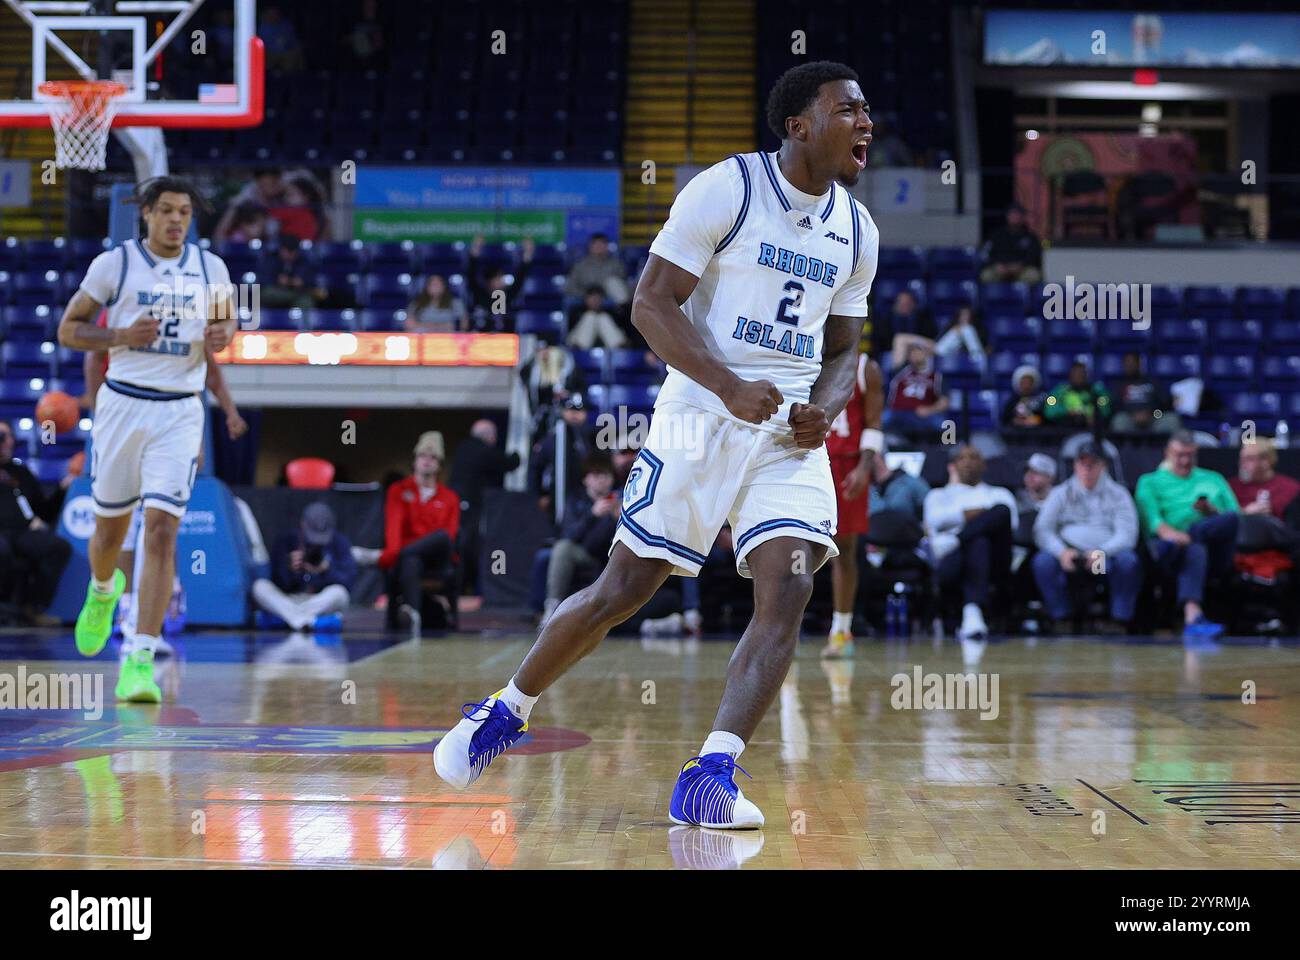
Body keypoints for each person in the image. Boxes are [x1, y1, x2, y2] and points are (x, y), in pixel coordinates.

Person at [434, 60, 879, 830]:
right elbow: (649, 304)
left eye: (868, 109)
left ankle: (710, 773)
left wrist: (827, 408)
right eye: (849, 109)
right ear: (799, 124)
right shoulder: (728, 189)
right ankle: (505, 709)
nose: (867, 121)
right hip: (699, 410)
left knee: (791, 584)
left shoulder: (858, 231)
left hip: (784, 433)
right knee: (625, 588)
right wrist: (726, 384)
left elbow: (845, 348)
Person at [58, 176, 235, 702]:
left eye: (184, 212)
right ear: (147, 215)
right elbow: (69, 329)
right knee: (110, 533)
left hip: (179, 411)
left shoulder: (212, 269)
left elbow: (225, 330)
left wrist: (225, 334)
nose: (177, 220)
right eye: (167, 211)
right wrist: (118, 335)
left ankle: (139, 658)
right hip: (122, 403)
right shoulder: (115, 265)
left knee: (161, 530)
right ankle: (103, 590)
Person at [1134, 431, 1239, 639]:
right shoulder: (1150, 481)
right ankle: (1193, 617)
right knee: (1195, 549)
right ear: (1167, 453)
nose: (1184, 461)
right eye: (1179, 455)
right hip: (1170, 550)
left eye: (1190, 455)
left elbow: (1235, 517)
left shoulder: (1213, 478)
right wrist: (1171, 534)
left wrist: (1211, 512)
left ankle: (1194, 534)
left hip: (1216, 550)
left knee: (1228, 520)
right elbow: (1152, 521)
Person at [1032, 442, 1141, 633]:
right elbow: (1042, 530)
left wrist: (1102, 552)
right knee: (1042, 562)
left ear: (1103, 466)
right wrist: (1061, 552)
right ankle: (1061, 619)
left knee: (1128, 561)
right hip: (1070, 557)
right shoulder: (1060, 493)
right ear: (1075, 465)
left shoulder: (1118, 494)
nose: (1087, 469)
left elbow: (1128, 535)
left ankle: (1119, 620)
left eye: (1093, 464)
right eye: (1083, 463)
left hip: (1102, 558)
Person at [821, 354, 884, 659]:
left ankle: (841, 630)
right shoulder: (800, 353)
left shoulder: (864, 368)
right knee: (792, 549)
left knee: (844, 551)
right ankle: (781, 630)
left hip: (847, 465)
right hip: (806, 459)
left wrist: (865, 467)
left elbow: (874, 424)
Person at [923, 445, 1017, 641]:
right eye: (961, 458)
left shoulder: (999, 493)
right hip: (951, 562)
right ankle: (973, 612)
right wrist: (978, 514)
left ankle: (957, 540)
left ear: (983, 465)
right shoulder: (938, 495)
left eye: (974, 457)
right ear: (953, 466)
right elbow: (933, 520)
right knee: (978, 542)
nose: (967, 462)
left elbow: (1010, 521)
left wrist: (960, 526)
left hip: (994, 561)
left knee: (999, 513)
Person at [379, 431, 460, 632]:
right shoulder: (398, 490)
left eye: (433, 458)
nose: (427, 461)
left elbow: (449, 536)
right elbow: (393, 527)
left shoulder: (450, 497)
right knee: (411, 561)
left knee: (440, 537)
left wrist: (389, 556)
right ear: (414, 461)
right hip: (408, 556)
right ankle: (413, 616)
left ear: (439, 465)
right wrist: (394, 552)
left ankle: (384, 557)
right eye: (422, 456)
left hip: (438, 556)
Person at [0, 420, 72, 625]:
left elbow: (44, 510)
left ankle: (34, 606)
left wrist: (61, 490)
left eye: (4, 436)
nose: (1, 442)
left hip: (22, 531)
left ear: (12, 441)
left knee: (58, 548)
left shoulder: (21, 472)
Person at [252, 502, 356, 631]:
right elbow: (275, 580)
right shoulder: (286, 540)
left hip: (318, 602)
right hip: (288, 600)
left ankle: (291, 621)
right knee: (260, 586)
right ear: (303, 524)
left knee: (340, 593)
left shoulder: (340, 542)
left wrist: (326, 570)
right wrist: (288, 567)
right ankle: (308, 622)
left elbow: (348, 582)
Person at [541, 458, 621, 622]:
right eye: (597, 475)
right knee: (563, 548)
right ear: (586, 479)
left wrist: (616, 519)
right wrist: (592, 515)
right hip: (584, 552)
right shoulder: (575, 501)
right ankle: (552, 607)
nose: (602, 480)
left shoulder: (620, 501)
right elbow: (568, 535)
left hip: (609, 555)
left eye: (606, 475)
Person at [448, 419, 521, 596]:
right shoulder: (481, 451)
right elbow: (509, 463)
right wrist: (520, 454)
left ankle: (462, 587)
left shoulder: (463, 448)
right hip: (470, 506)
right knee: (469, 545)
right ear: (490, 437)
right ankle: (464, 588)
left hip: (457, 504)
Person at [529, 392, 599, 518]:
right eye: (570, 410)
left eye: (579, 410)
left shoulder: (591, 438)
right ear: (562, 411)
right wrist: (538, 496)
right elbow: (535, 468)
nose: (574, 414)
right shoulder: (552, 439)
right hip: (555, 496)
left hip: (584, 497)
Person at [467, 235, 533, 332]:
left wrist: (527, 254)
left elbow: (520, 280)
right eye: (497, 279)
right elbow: (471, 276)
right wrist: (475, 251)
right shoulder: (480, 294)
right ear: (490, 281)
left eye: (501, 278)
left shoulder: (507, 296)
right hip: (481, 340)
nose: (500, 281)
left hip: (505, 340)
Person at [882, 343, 949, 436]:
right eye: (912, 353)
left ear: (926, 354)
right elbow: (901, 339)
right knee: (880, 420)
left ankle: (951, 448)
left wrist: (930, 409)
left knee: (948, 426)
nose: (915, 356)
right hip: (896, 412)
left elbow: (944, 402)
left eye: (918, 352)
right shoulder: (899, 371)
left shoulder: (937, 376)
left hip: (923, 413)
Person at [1110, 352, 1178, 433]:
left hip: (1153, 417)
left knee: (1172, 419)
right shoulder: (1120, 384)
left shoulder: (1151, 382)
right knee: (1119, 420)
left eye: (1132, 362)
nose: (1130, 365)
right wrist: (1132, 414)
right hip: (1130, 418)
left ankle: (1167, 445)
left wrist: (1151, 413)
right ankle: (1123, 445)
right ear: (1123, 365)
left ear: (1139, 363)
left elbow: (1164, 403)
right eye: (1127, 363)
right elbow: (1115, 406)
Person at [979, 204, 1042, 284]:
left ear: (1023, 217)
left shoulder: (1030, 236)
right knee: (986, 276)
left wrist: (1021, 265)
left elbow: (1034, 256)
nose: (1015, 217)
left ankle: (1021, 296)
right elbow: (986, 253)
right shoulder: (996, 235)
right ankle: (995, 296)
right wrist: (995, 265)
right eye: (1012, 214)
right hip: (999, 268)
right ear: (1007, 216)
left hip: (1022, 269)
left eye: (1018, 214)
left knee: (1033, 276)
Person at [564, 233, 630, 308]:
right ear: (590, 246)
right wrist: (587, 296)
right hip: (585, 304)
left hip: (611, 305)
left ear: (606, 246)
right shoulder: (580, 266)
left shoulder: (616, 265)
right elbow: (569, 287)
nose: (599, 247)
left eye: (602, 244)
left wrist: (601, 298)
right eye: (596, 244)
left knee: (612, 282)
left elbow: (623, 286)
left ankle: (625, 310)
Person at [260, 235, 322, 309]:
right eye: (285, 251)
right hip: (277, 290)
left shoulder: (305, 261)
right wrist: (276, 280)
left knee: (306, 301)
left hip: (298, 291)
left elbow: (312, 280)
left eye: (291, 251)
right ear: (281, 249)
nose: (288, 254)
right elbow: (264, 279)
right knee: (265, 293)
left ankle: (299, 320)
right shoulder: (271, 259)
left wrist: (302, 282)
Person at [1044, 361, 1111, 429]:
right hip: (1066, 428)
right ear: (1071, 375)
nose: (1079, 376)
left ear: (1086, 375)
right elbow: (1050, 412)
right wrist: (1068, 412)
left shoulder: (1097, 390)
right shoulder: (1060, 391)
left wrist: (1094, 415)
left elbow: (1106, 410)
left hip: (1091, 428)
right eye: (1076, 373)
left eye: (1081, 373)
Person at [1001, 364, 1047, 430]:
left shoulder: (1041, 400)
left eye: (1029, 382)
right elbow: (1006, 421)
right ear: (1018, 383)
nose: (1026, 386)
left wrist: (1038, 420)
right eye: (1023, 382)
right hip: (1016, 437)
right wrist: (1015, 421)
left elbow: (1046, 419)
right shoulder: (1012, 401)